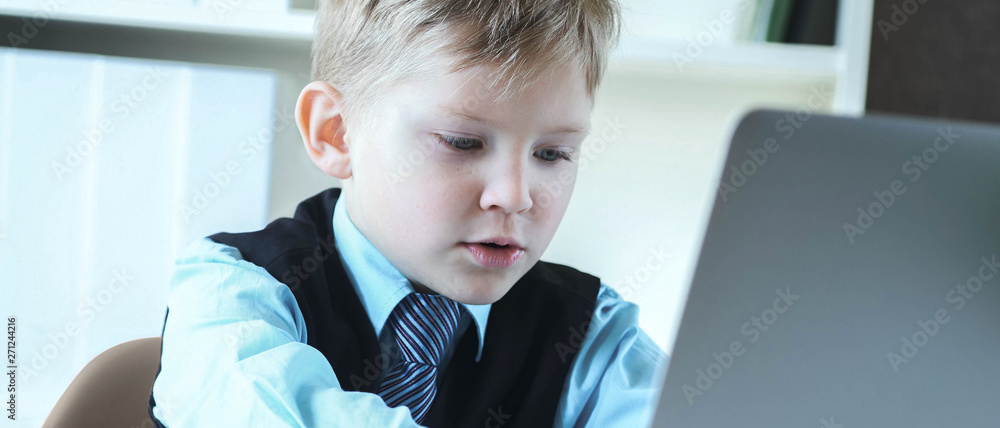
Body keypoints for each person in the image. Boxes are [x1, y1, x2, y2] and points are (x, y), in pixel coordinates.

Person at [148, 0, 666, 426]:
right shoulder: (233, 291)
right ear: (337, 131)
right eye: (463, 142)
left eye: (552, 154)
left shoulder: (592, 335)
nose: (514, 196)